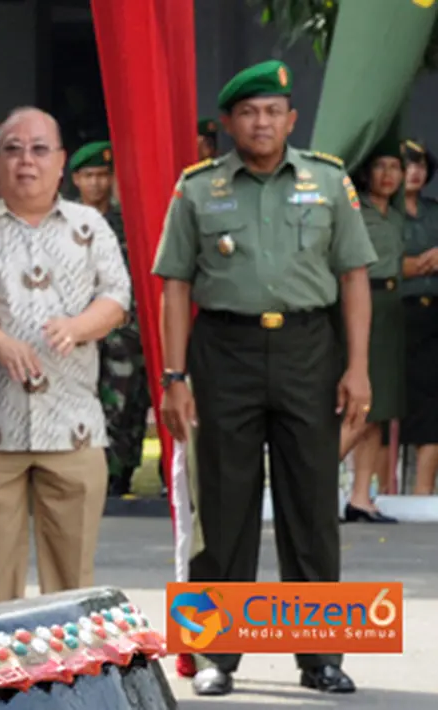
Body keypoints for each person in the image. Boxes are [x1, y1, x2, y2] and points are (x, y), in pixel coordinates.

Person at [153, 59, 373, 696]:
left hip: (310, 347)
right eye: (248, 112)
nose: (261, 122)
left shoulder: (330, 184)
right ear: (228, 123)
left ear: (291, 119)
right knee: (222, 505)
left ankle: (321, 657)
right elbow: (176, 287)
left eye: (273, 111)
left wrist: (357, 368)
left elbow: (355, 277)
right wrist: (174, 375)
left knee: (311, 506)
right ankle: (216, 655)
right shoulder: (198, 189)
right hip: (225, 349)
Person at [0, 108, 130, 606]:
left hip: (73, 428)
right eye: (13, 149)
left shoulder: (90, 226)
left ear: (61, 162)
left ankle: (69, 682)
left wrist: (77, 326)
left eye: (40, 149)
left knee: (72, 587)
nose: (27, 160)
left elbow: (117, 298)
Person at [70, 140, 150, 497]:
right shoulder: (64, 220)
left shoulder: (129, 222)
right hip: (77, 330)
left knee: (124, 403)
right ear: (75, 180)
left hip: (123, 332)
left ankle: (120, 471)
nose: (97, 184)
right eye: (89, 176)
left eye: (103, 175)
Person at [341, 137, 406, 523]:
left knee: (380, 409)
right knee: (359, 407)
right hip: (366, 303)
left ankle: (361, 497)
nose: (388, 176)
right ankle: (306, 485)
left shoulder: (395, 217)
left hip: (393, 306)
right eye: (380, 167)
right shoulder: (355, 212)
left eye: (394, 168)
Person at [399, 140, 438, 495]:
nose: (415, 172)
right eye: (408, 165)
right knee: (389, 408)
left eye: (421, 165)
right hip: (397, 315)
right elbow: (388, 266)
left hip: (433, 314)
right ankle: (383, 490)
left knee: (432, 404)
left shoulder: (434, 211)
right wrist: (417, 265)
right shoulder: (384, 214)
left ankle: (423, 494)